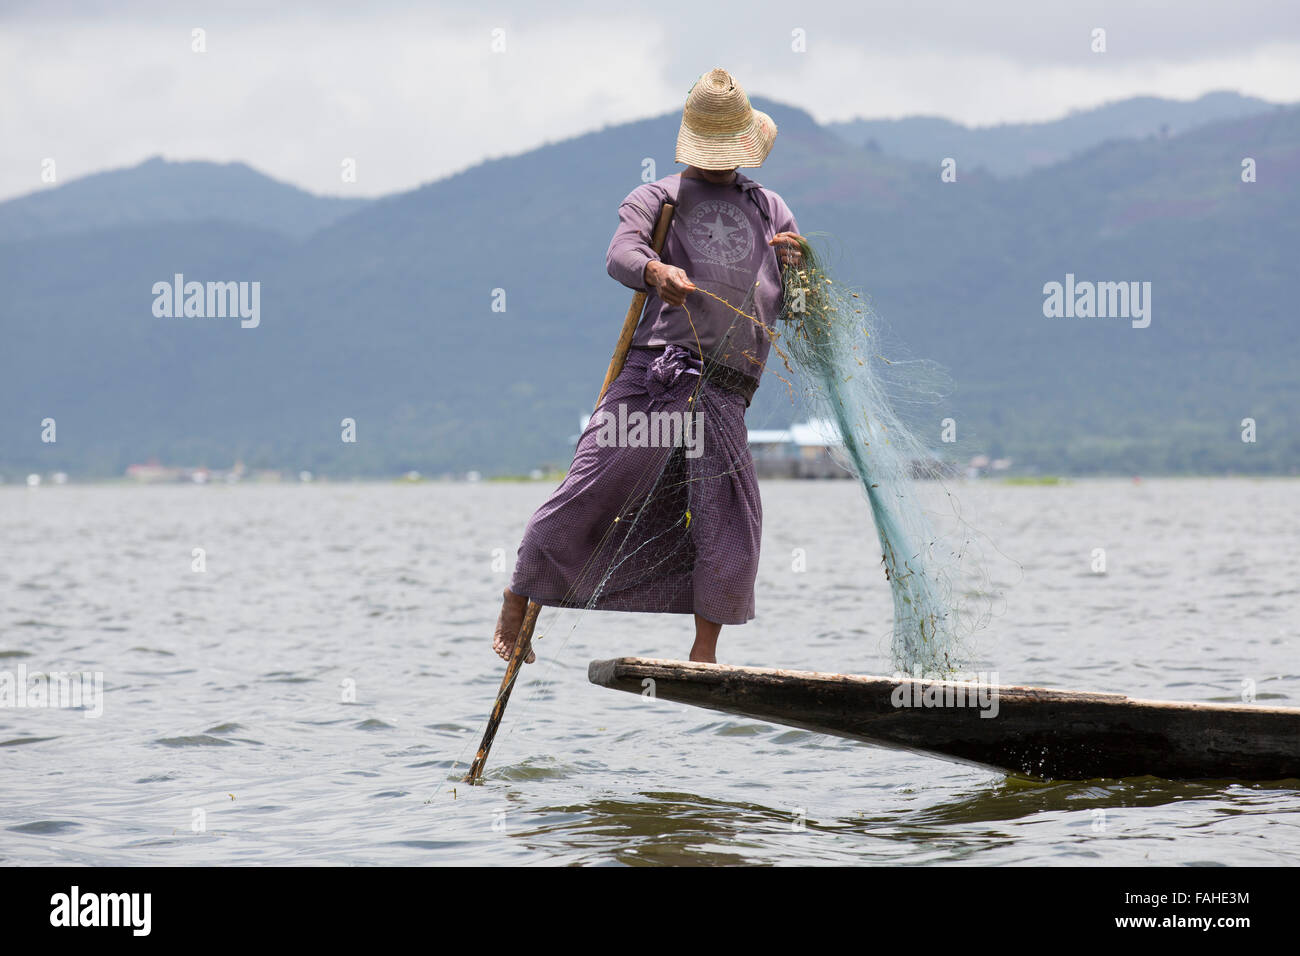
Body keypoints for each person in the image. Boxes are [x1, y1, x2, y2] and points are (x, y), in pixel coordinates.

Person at [493, 68, 803, 664]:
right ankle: (518, 594)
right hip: (661, 377)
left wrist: (800, 265)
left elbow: (794, 306)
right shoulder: (659, 198)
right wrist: (657, 273)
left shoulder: (770, 209)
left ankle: (704, 651)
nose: (721, 164)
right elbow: (621, 252)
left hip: (727, 392)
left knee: (730, 517)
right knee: (594, 489)